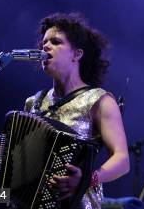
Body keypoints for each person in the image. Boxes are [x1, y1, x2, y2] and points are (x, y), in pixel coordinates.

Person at [23, 12, 130, 209]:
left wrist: (88, 179)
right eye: (44, 42)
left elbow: (122, 160)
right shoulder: (33, 102)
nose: (45, 46)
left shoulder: (100, 100)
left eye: (55, 42)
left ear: (77, 54)